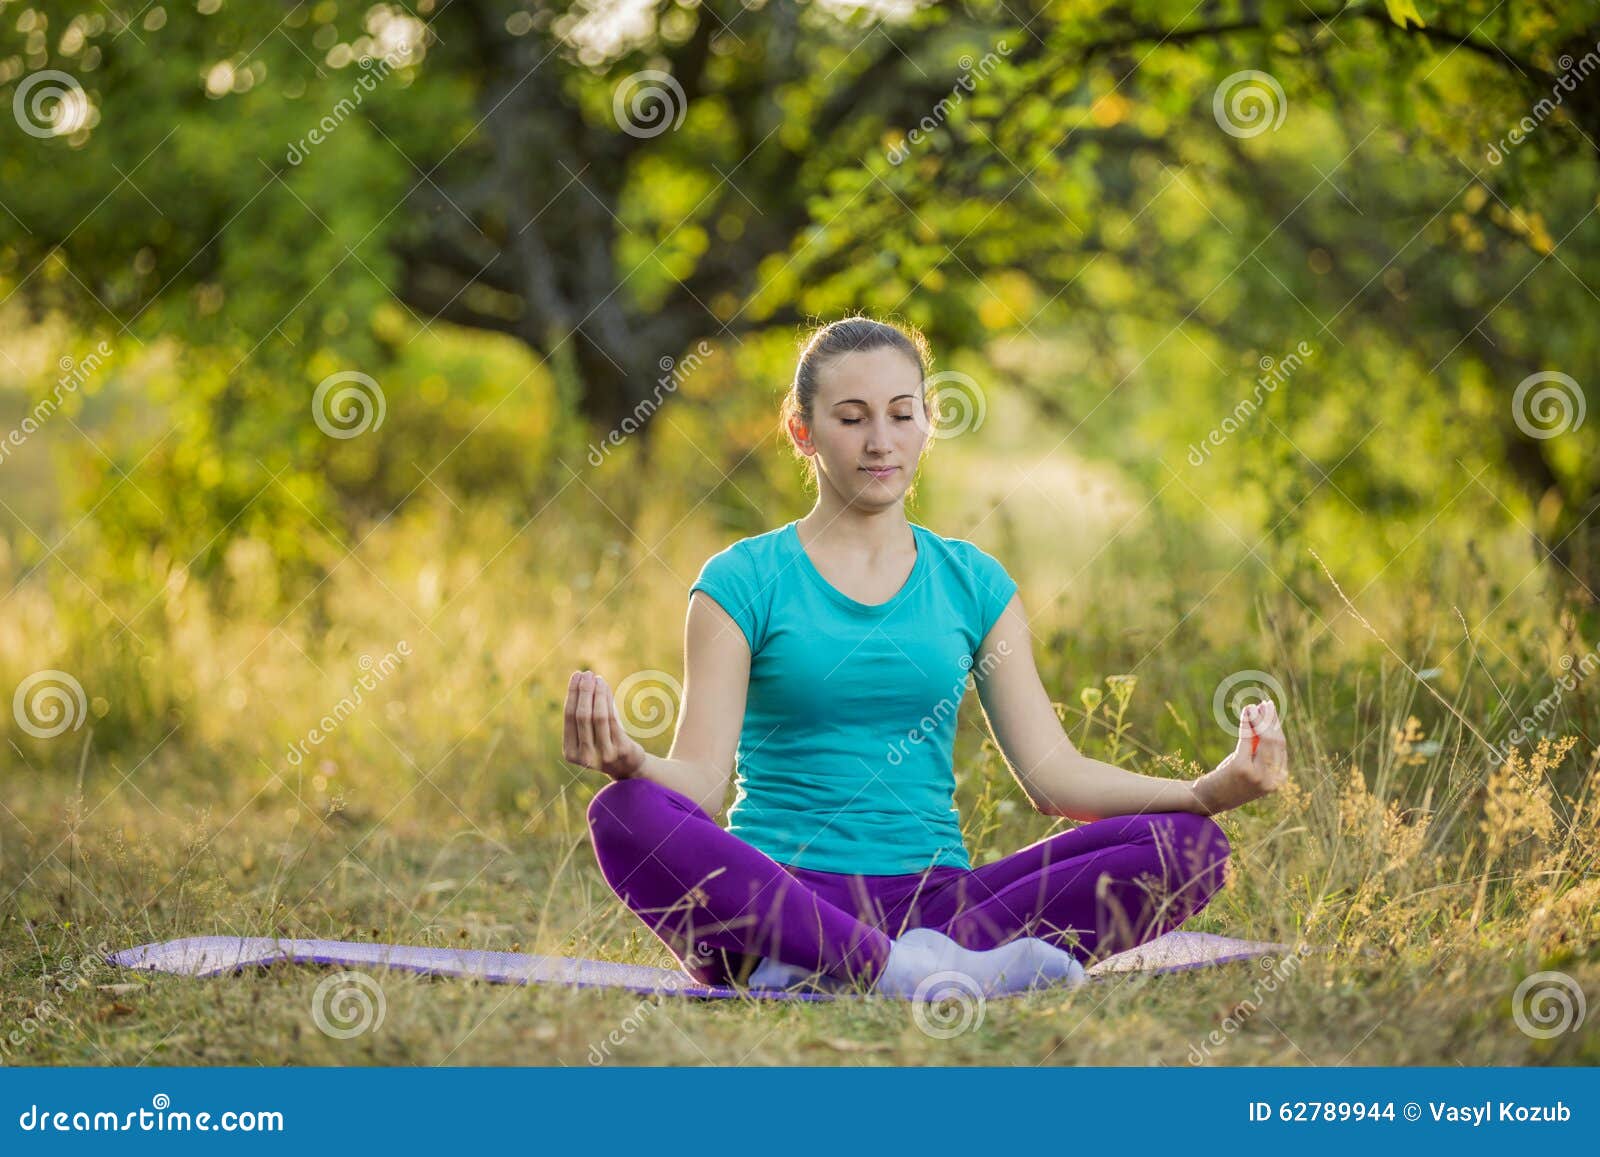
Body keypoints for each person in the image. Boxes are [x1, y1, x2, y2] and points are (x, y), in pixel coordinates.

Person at [565, 316, 1288, 998]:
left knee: (1192, 845)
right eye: (852, 418)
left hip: (937, 909)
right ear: (803, 431)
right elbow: (699, 787)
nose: (881, 441)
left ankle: (861, 965)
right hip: (774, 898)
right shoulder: (741, 579)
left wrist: (1204, 791)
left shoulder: (973, 582)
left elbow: (1053, 777)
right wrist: (634, 762)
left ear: (926, 423)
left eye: (901, 414)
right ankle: (887, 969)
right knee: (625, 813)